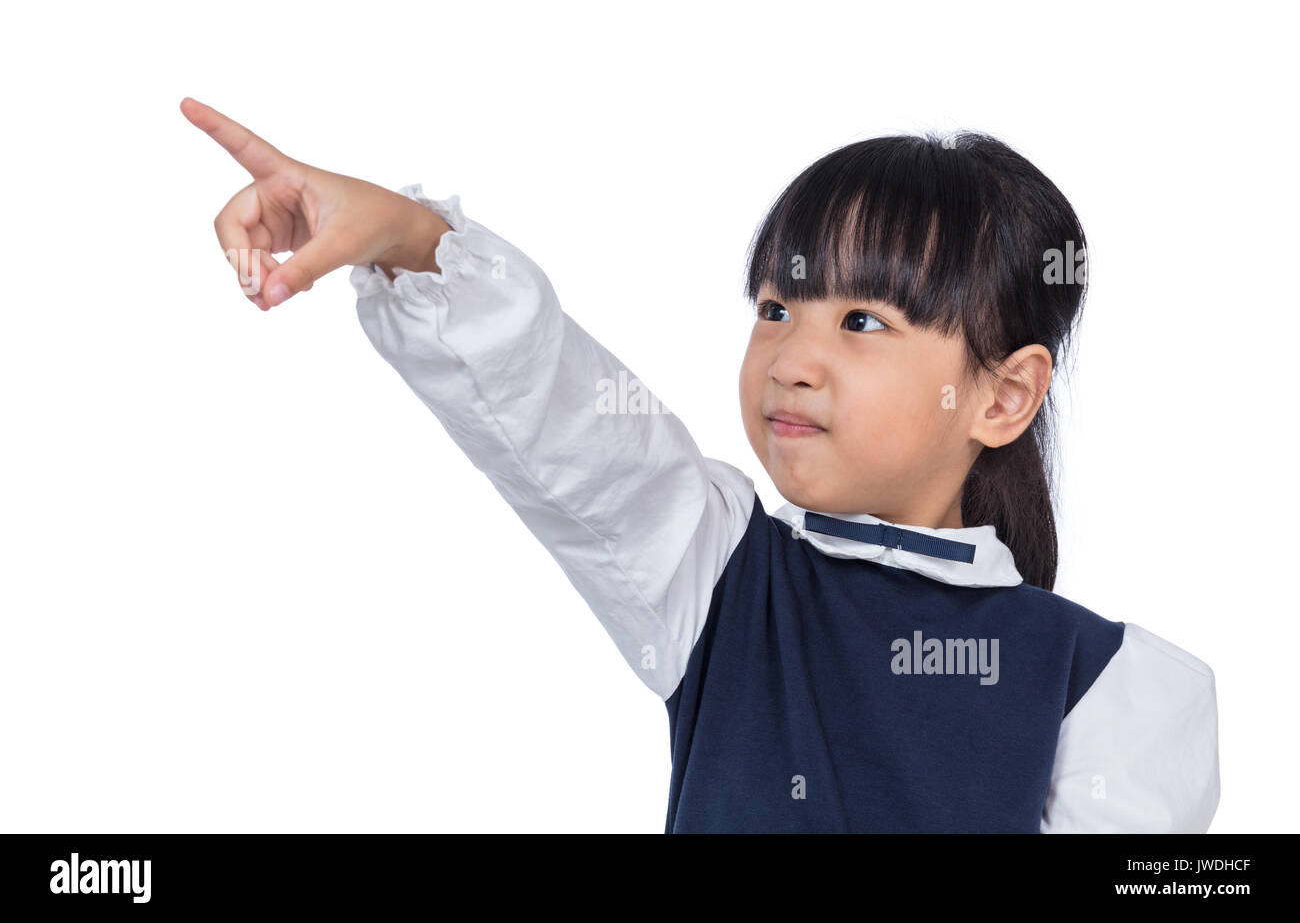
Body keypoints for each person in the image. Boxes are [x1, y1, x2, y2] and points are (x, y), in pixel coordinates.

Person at [183, 97, 1221, 833]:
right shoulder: (716, 575)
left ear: (1001, 395)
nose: (792, 358)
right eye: (775, 307)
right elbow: (565, 420)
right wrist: (410, 238)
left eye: (862, 319)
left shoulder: (1111, 687)